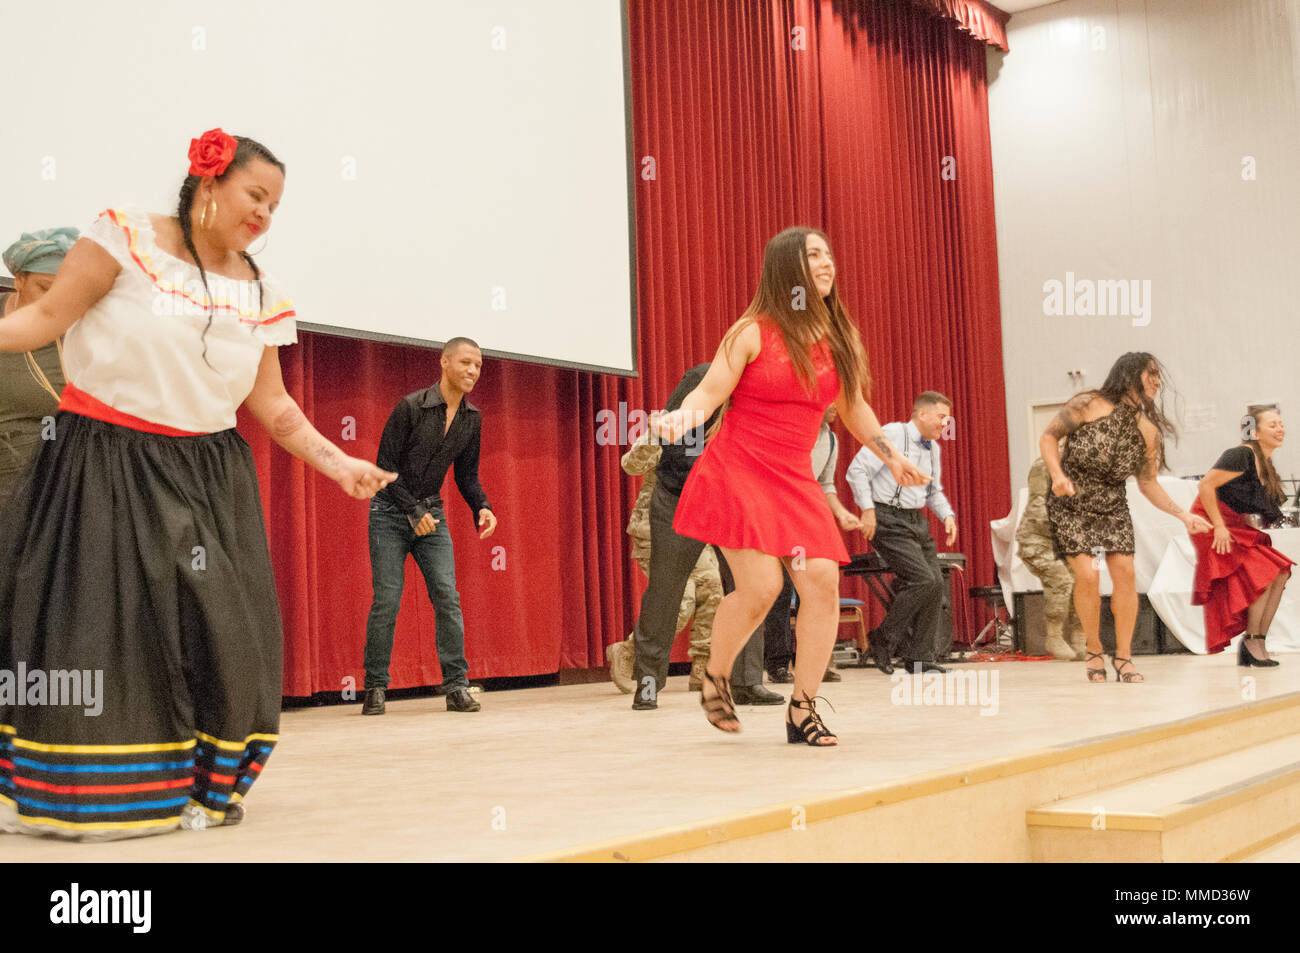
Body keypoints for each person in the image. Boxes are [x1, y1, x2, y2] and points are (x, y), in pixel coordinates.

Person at [0, 128, 394, 839]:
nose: (265, 214)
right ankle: (89, 790)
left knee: (224, 632)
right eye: (255, 194)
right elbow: (44, 319)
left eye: (275, 205)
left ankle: (200, 783)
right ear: (208, 182)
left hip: (209, 473)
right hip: (105, 459)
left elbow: (272, 405)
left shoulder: (264, 293)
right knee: (101, 632)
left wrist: (341, 464)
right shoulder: (123, 237)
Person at [654, 227, 926, 746]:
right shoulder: (751, 331)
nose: (827, 263)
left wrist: (892, 459)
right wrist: (678, 419)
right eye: (813, 256)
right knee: (761, 588)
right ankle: (716, 673)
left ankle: (802, 709)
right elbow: (708, 393)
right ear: (786, 268)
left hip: (793, 477)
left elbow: (853, 409)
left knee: (821, 582)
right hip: (737, 469)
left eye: (828, 253)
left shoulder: (838, 336)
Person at [1041, 352, 1211, 683]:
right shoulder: (1086, 404)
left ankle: (1124, 657)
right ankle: (1093, 651)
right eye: (1151, 374)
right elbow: (1049, 437)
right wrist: (1056, 473)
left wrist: (1182, 515)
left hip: (1112, 501)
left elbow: (1147, 483)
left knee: (1127, 573)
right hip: (1070, 499)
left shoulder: (1146, 429)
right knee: (1088, 575)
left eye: (1159, 376)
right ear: (1130, 374)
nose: (1157, 382)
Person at [628, 364, 781, 711]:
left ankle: (746, 680)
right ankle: (648, 681)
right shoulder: (703, 379)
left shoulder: (769, 390)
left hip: (736, 499)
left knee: (752, 587)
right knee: (666, 589)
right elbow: (676, 444)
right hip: (681, 495)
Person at [361, 337, 499, 716]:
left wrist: (482, 506)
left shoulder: (472, 418)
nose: (473, 371)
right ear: (444, 363)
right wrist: (411, 511)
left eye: (478, 366)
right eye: (466, 363)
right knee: (387, 601)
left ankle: (456, 686)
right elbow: (384, 467)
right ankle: (375, 687)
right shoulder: (410, 407)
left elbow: (467, 475)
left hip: (430, 514)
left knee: (447, 597)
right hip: (389, 513)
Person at [846, 391, 957, 674]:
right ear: (922, 414)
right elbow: (856, 470)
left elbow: (933, 490)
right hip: (887, 517)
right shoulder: (893, 433)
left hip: (915, 520)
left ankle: (918, 657)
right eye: (941, 417)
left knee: (934, 585)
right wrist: (867, 509)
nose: (946, 423)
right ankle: (882, 639)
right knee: (922, 579)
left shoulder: (933, 448)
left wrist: (947, 515)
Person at [608, 431, 716, 693]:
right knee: (678, 603)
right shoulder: (670, 429)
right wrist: (656, 436)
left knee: (713, 589)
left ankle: (702, 665)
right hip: (655, 529)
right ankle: (629, 651)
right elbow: (631, 464)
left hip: (696, 529)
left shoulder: (714, 431)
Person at [765, 405, 861, 683]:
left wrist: (841, 512)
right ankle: (778, 664)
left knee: (811, 591)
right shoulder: (789, 429)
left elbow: (825, 484)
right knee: (778, 592)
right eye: (830, 402)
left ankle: (811, 664)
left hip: (802, 517)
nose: (835, 408)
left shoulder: (831, 439)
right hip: (773, 515)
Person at [1191, 405, 1292, 665]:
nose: (1280, 429)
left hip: (1232, 522)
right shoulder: (1240, 455)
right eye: (1273, 425)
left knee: (1279, 572)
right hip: (1211, 523)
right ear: (1254, 432)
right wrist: (1220, 526)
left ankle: (1257, 640)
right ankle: (1251, 642)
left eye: (1280, 424)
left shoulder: (1264, 463)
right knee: (1265, 572)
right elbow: (1206, 486)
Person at [0, 228, 77, 510]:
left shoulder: (81, 330)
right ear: (19, 280)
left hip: (66, 472)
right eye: (45, 288)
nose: (55, 299)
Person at [1015, 458, 1086, 660]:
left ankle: (1081, 638)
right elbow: (1038, 510)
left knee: (1086, 580)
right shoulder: (1044, 465)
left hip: (1068, 541)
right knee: (1060, 580)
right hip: (1038, 539)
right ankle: (1054, 636)